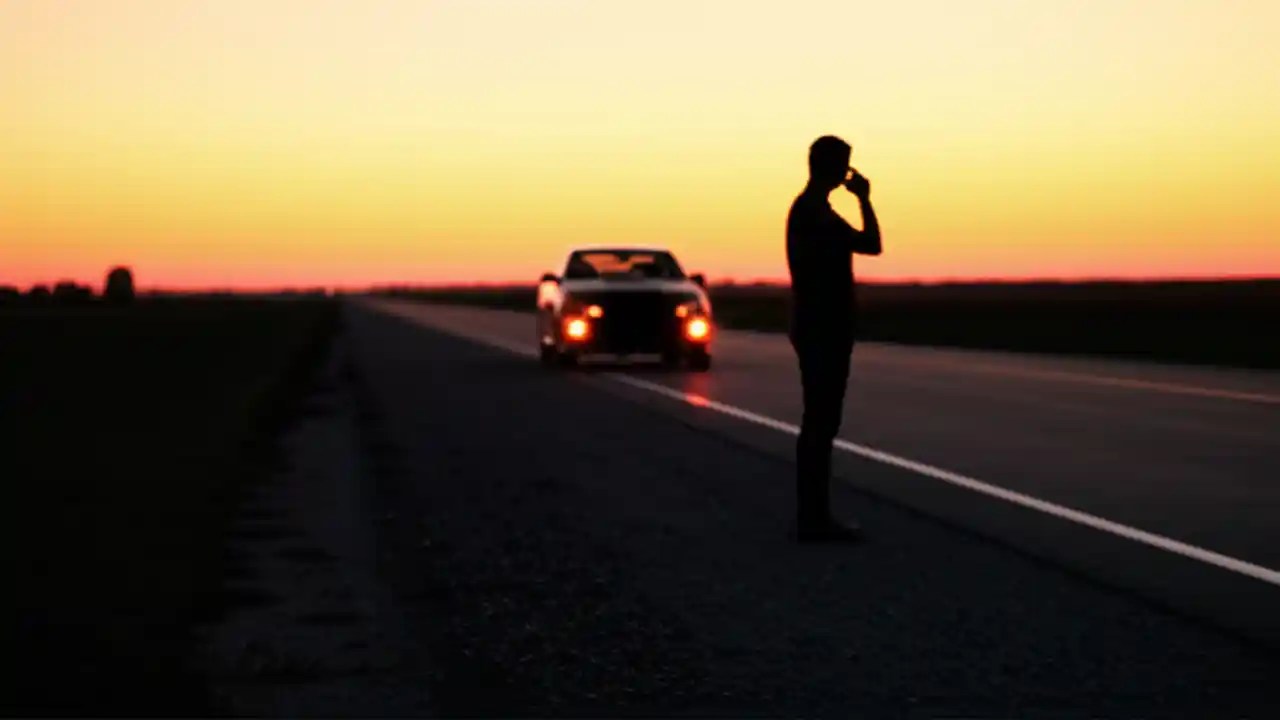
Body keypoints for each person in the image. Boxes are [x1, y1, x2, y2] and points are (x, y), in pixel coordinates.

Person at [785, 134, 881, 542]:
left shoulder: (816, 210)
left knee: (821, 422)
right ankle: (813, 518)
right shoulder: (814, 213)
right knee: (820, 423)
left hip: (823, 326)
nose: (845, 172)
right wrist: (864, 198)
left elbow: (868, 247)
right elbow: (872, 244)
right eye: (842, 164)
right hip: (821, 328)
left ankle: (814, 514)